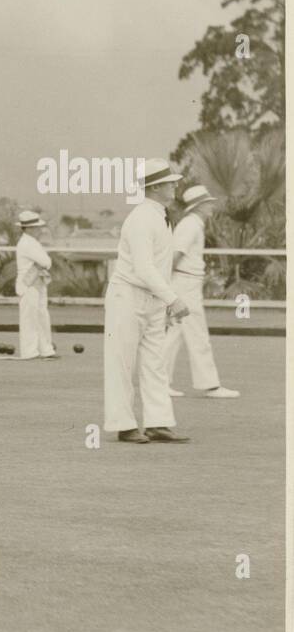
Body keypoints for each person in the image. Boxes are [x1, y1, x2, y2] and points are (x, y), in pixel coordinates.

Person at [103, 158, 191, 443]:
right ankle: (124, 424)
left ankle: (158, 422)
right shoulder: (141, 218)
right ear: (155, 188)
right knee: (122, 363)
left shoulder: (160, 216)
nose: (175, 186)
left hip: (152, 300)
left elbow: (160, 265)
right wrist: (173, 298)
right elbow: (143, 268)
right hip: (127, 297)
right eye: (170, 183)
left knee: (155, 362)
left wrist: (163, 302)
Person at [165, 185, 238, 399]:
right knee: (197, 334)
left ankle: (159, 382)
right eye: (208, 203)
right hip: (184, 284)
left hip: (187, 283)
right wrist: (166, 286)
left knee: (175, 334)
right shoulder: (190, 225)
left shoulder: (194, 224)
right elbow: (175, 256)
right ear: (199, 206)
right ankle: (211, 385)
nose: (212, 207)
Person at [15, 210, 58, 360]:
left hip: (37, 282)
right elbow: (46, 262)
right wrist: (45, 262)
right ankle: (29, 351)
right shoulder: (27, 243)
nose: (39, 229)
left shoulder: (32, 242)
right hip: (28, 284)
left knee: (41, 316)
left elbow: (46, 263)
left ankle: (45, 349)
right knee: (30, 317)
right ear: (28, 228)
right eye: (36, 227)